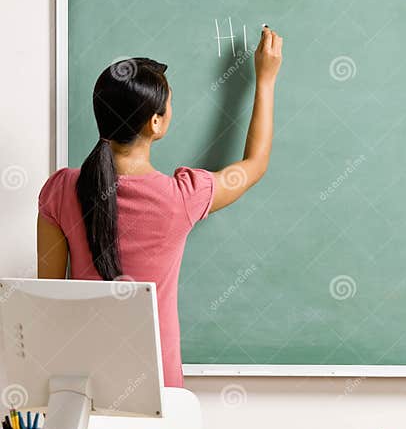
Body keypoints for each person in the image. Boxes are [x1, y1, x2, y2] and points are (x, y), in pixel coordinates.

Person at [37, 27, 283, 386]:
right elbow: (255, 164)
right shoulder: (181, 197)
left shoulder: (59, 190)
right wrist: (266, 80)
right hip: (158, 385)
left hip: (80, 381)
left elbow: (48, 298)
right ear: (155, 122)